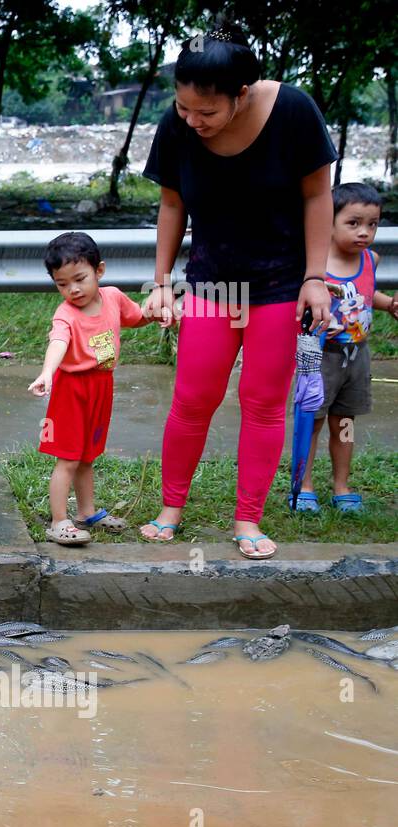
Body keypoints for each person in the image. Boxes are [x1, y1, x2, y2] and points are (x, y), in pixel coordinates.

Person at [138, 15, 336, 559]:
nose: (192, 120)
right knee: (193, 399)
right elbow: (173, 202)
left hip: (279, 283)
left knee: (265, 403)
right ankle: (170, 509)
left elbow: (319, 196)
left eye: (206, 111)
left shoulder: (293, 111)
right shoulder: (178, 124)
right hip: (213, 284)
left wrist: (315, 278)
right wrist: (162, 281)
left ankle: (248, 519)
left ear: (241, 94)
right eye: (183, 107)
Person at [27, 233, 158, 545]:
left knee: (88, 455)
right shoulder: (66, 314)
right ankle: (59, 521)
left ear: (99, 271)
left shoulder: (112, 297)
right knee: (68, 459)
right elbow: (58, 342)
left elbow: (136, 317)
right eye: (62, 284)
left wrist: (156, 314)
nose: (72, 289)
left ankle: (86, 513)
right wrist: (47, 372)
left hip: (102, 387)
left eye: (80, 279)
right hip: (71, 391)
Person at [294, 182, 395, 514]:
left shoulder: (371, 259)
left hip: (357, 358)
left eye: (372, 224)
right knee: (314, 421)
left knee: (344, 423)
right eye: (353, 223)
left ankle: (341, 485)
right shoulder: (317, 265)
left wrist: (389, 304)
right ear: (329, 222)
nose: (364, 232)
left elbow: (365, 295)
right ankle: (304, 484)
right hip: (321, 358)